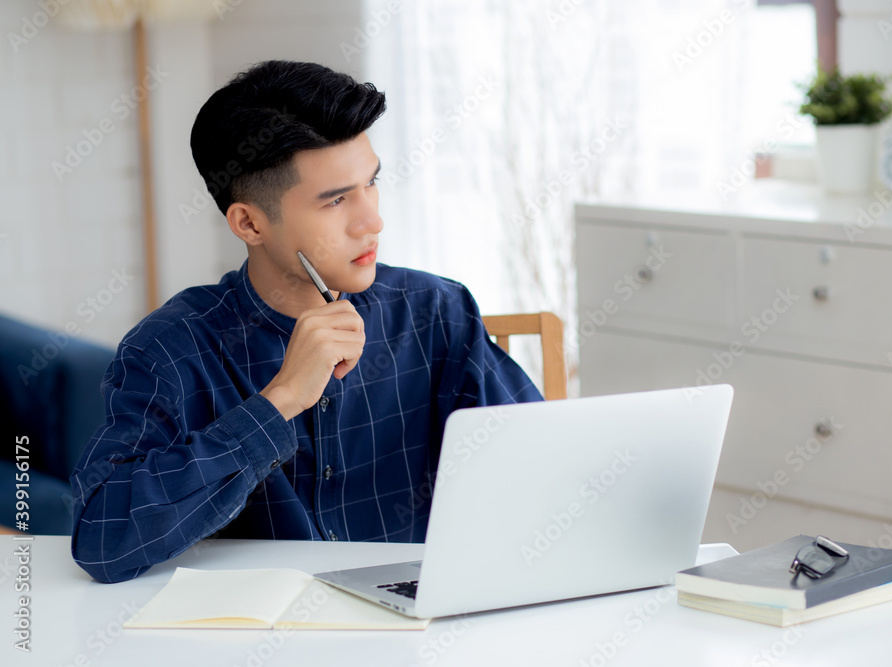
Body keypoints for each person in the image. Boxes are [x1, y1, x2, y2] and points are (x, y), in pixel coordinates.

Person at [70, 60, 543, 584]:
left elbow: (545, 468)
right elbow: (102, 539)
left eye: (372, 184)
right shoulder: (172, 347)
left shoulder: (435, 312)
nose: (372, 221)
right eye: (336, 200)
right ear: (249, 223)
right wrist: (279, 401)